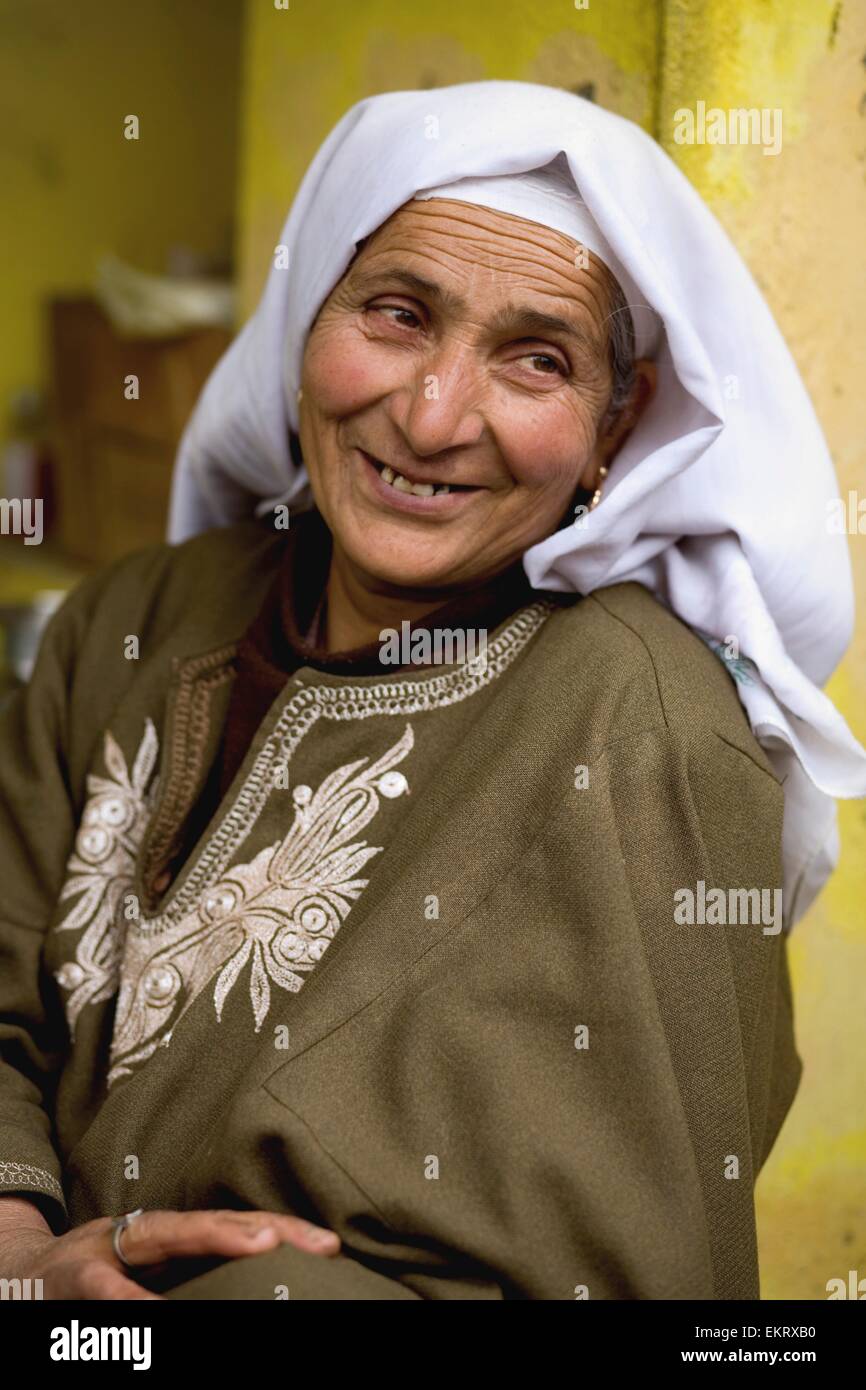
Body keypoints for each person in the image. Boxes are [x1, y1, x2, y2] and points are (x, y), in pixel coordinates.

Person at [1, 80, 863, 1301]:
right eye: (398, 314)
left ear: (611, 427)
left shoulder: (637, 726)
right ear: (309, 318)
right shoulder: (137, 616)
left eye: (535, 359)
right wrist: (23, 1257)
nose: (431, 412)